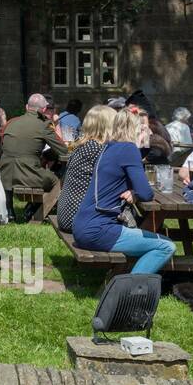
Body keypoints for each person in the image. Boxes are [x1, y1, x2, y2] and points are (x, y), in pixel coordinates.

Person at [72, 108, 173, 274]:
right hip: (98, 230)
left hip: (82, 225)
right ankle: (129, 290)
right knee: (166, 246)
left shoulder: (109, 147)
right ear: (137, 129)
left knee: (157, 241)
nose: (149, 131)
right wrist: (136, 191)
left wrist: (134, 191)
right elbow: (147, 194)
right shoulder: (128, 149)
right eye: (145, 128)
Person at [0, 94, 67, 217]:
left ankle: (10, 211)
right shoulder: (43, 125)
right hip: (28, 176)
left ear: (26, 107)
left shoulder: (11, 122)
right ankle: (36, 212)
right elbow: (63, 150)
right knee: (56, 181)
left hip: (6, 176)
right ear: (44, 110)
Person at [55, 105, 116, 232]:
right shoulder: (97, 148)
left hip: (67, 213)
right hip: (79, 219)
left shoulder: (83, 144)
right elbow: (114, 182)